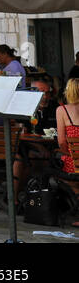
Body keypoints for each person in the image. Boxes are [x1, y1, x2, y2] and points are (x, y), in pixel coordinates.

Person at [55, 78, 79, 226]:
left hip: (74, 163)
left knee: (63, 176)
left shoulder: (62, 110)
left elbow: (62, 142)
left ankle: (75, 204)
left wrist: (67, 154)